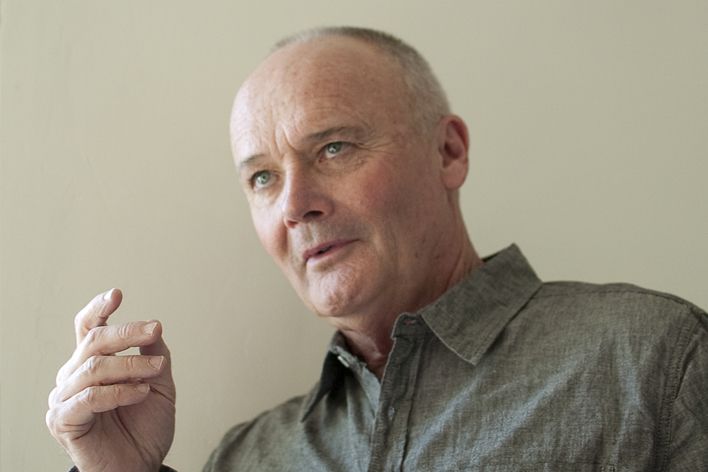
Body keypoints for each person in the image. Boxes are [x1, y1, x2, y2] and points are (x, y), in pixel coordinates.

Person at [46, 27, 708, 472]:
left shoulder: (653, 360)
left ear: (448, 152)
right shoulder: (246, 458)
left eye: (334, 148)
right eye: (263, 178)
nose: (295, 204)